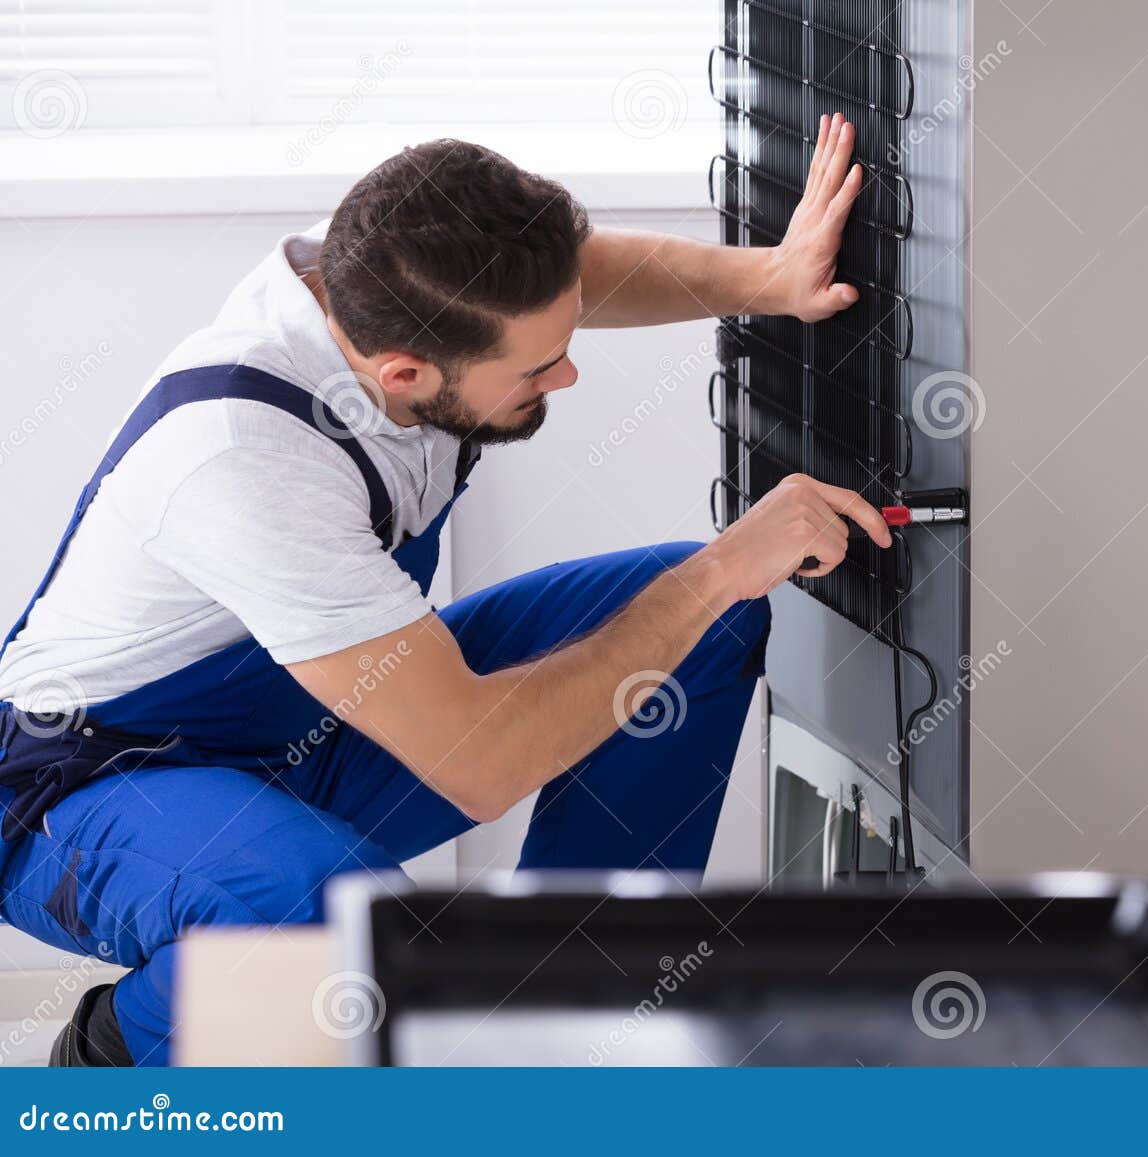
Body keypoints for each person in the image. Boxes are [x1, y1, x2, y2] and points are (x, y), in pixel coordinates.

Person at [0, 115, 890, 1066]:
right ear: (406, 374)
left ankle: (569, 1021)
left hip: (311, 721)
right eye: (536, 369)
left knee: (706, 628)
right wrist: (723, 562)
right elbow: (483, 763)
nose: (569, 370)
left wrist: (772, 279)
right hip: (97, 783)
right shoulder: (242, 464)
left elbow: (577, 274)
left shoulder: (391, 277)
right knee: (337, 928)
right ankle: (115, 1053)